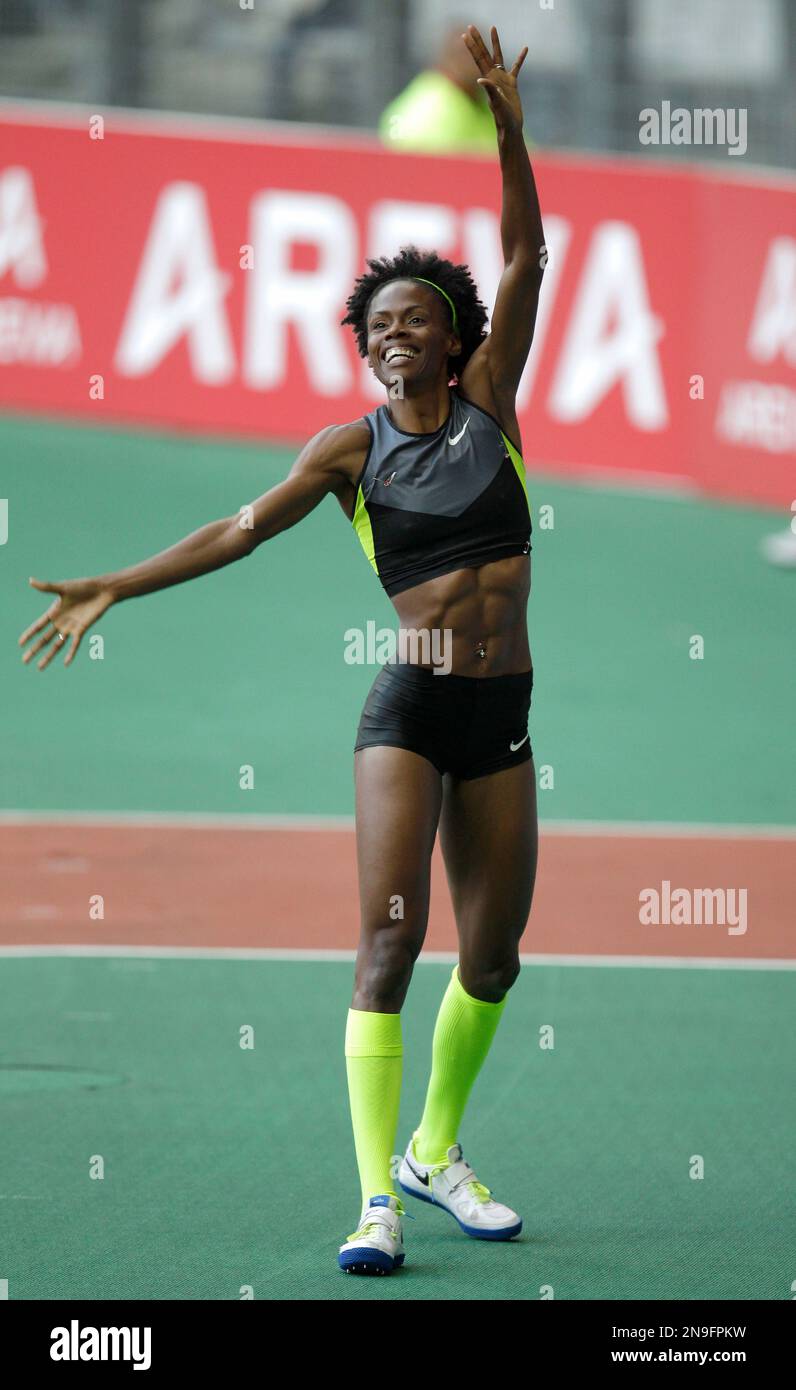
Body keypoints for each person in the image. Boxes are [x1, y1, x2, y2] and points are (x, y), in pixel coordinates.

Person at [19, 23, 545, 1277]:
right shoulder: (345, 452)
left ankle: (436, 1147)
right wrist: (119, 586)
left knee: (493, 955)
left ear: (454, 330)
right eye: (374, 325)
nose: (390, 333)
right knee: (388, 943)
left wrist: (511, 127)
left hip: (506, 711)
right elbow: (237, 529)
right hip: (409, 708)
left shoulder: (490, 401)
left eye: (412, 317)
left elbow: (526, 248)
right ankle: (378, 1202)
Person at [380, 20, 502, 153]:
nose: (474, 60)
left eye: (483, 53)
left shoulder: (489, 104)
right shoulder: (425, 110)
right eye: (465, 52)